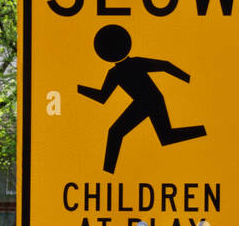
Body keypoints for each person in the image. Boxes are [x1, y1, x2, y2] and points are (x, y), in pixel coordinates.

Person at [77, 24, 207, 174]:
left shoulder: (130, 65)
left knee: (117, 132)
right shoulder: (115, 73)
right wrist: (79, 89)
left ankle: (106, 172)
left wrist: (190, 80)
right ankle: (204, 130)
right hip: (146, 101)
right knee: (165, 136)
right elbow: (102, 97)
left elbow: (166, 66)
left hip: (151, 101)